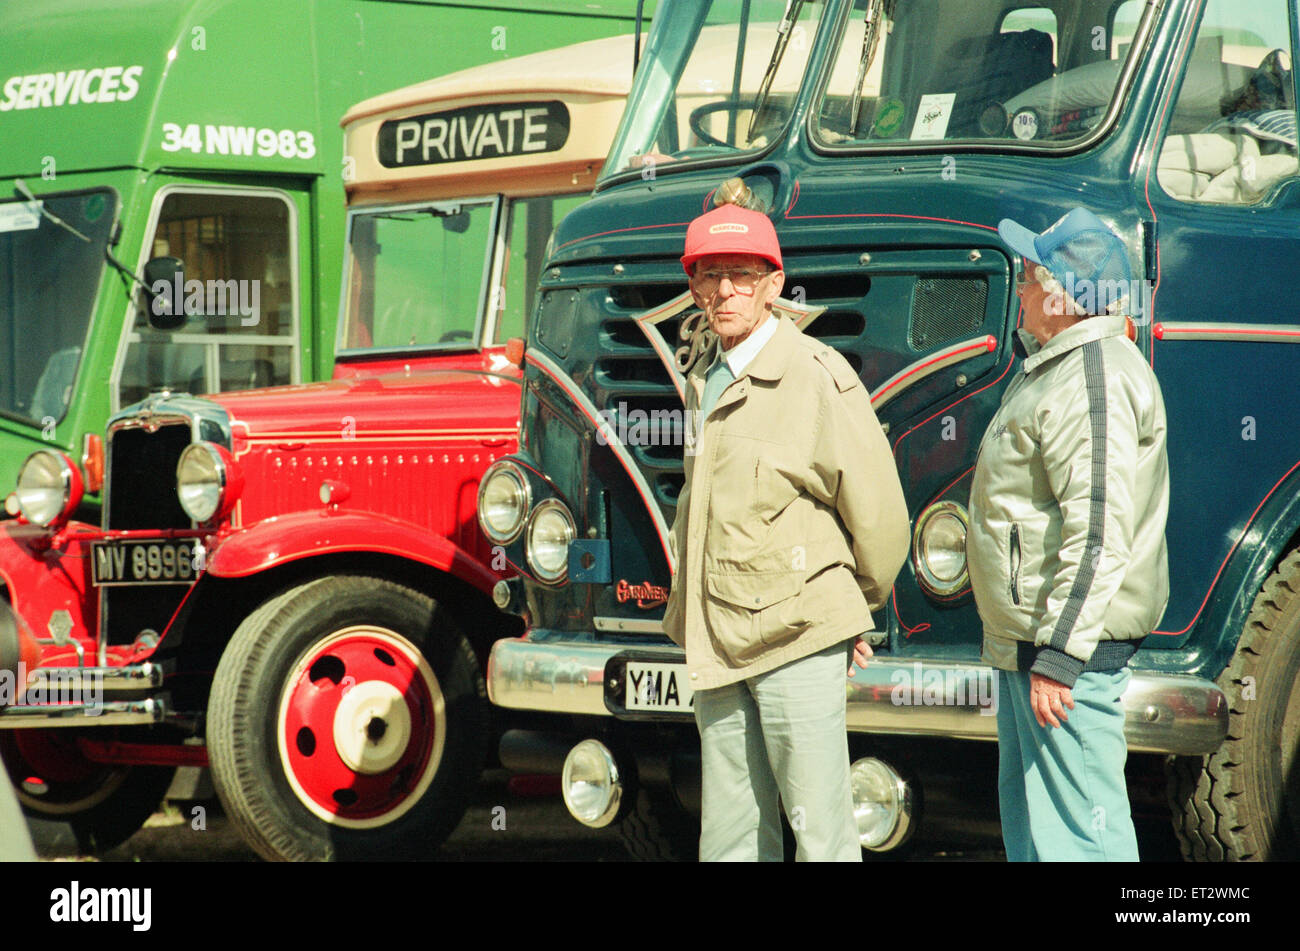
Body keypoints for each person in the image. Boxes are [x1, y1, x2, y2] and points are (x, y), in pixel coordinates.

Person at [660, 201, 909, 862]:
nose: (722, 291)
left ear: (774, 284)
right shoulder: (704, 378)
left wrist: (852, 610)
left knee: (821, 833)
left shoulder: (818, 375)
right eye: (708, 275)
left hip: (798, 637)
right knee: (732, 835)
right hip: (718, 639)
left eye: (741, 274)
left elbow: (880, 517)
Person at [967, 206, 1170, 861]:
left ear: (1062, 294)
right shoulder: (1063, 366)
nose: (1020, 291)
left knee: (1084, 840)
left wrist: (1059, 655)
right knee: (1039, 837)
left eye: (1029, 277)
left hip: (1065, 653)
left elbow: (1099, 528)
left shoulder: (1094, 375)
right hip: (1037, 643)